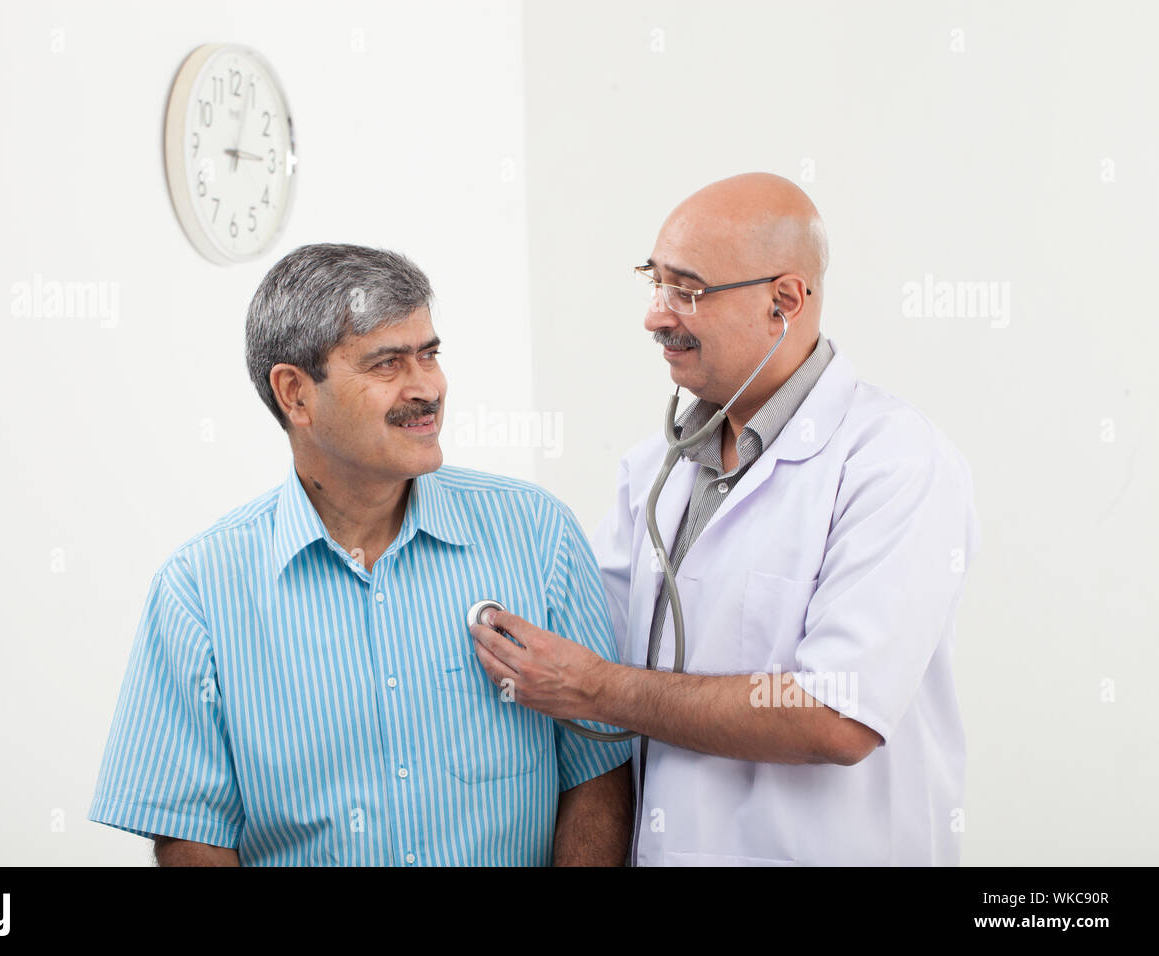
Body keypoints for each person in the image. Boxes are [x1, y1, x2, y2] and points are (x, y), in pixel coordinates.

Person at [470, 173, 980, 865]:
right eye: (654, 283)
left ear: (784, 301)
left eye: (688, 291)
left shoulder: (894, 461)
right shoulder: (653, 469)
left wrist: (596, 687)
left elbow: (836, 716)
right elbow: (591, 646)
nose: (655, 315)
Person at [88, 243, 632, 866]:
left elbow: (599, 768)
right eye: (387, 364)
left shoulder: (537, 535)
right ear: (295, 393)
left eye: (429, 354)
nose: (427, 388)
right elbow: (189, 833)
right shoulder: (199, 591)